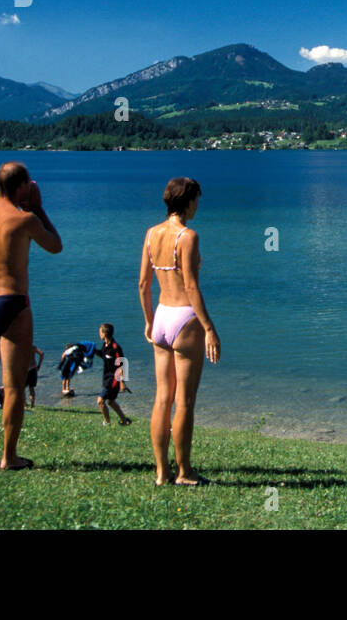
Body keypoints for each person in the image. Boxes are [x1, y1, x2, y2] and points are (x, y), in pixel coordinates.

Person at [0, 162, 62, 470]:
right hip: (12, 302)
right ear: (21, 187)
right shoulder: (26, 219)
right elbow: (56, 246)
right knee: (14, 385)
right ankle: (9, 457)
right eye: (27, 186)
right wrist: (39, 208)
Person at [139, 177, 220, 486]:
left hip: (160, 316)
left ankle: (161, 473)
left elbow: (144, 284)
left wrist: (148, 320)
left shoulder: (151, 234)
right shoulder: (187, 237)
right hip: (185, 318)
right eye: (196, 200)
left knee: (162, 398)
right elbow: (190, 285)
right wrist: (209, 328)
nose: (198, 205)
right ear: (187, 203)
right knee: (184, 401)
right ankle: (183, 471)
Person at [95, 324, 132, 426]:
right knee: (111, 402)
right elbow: (104, 356)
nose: (99, 334)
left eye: (100, 332)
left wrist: (122, 383)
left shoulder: (115, 348)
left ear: (105, 333)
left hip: (114, 380)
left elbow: (122, 364)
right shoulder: (105, 345)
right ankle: (124, 420)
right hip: (106, 378)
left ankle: (106, 422)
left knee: (100, 401)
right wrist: (93, 351)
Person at [25, 345, 44, 409]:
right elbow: (41, 353)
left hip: (24, 370)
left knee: (21, 389)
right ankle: (32, 406)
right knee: (31, 388)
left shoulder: (20, 347)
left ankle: (24, 405)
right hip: (33, 368)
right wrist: (39, 365)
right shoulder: (32, 347)